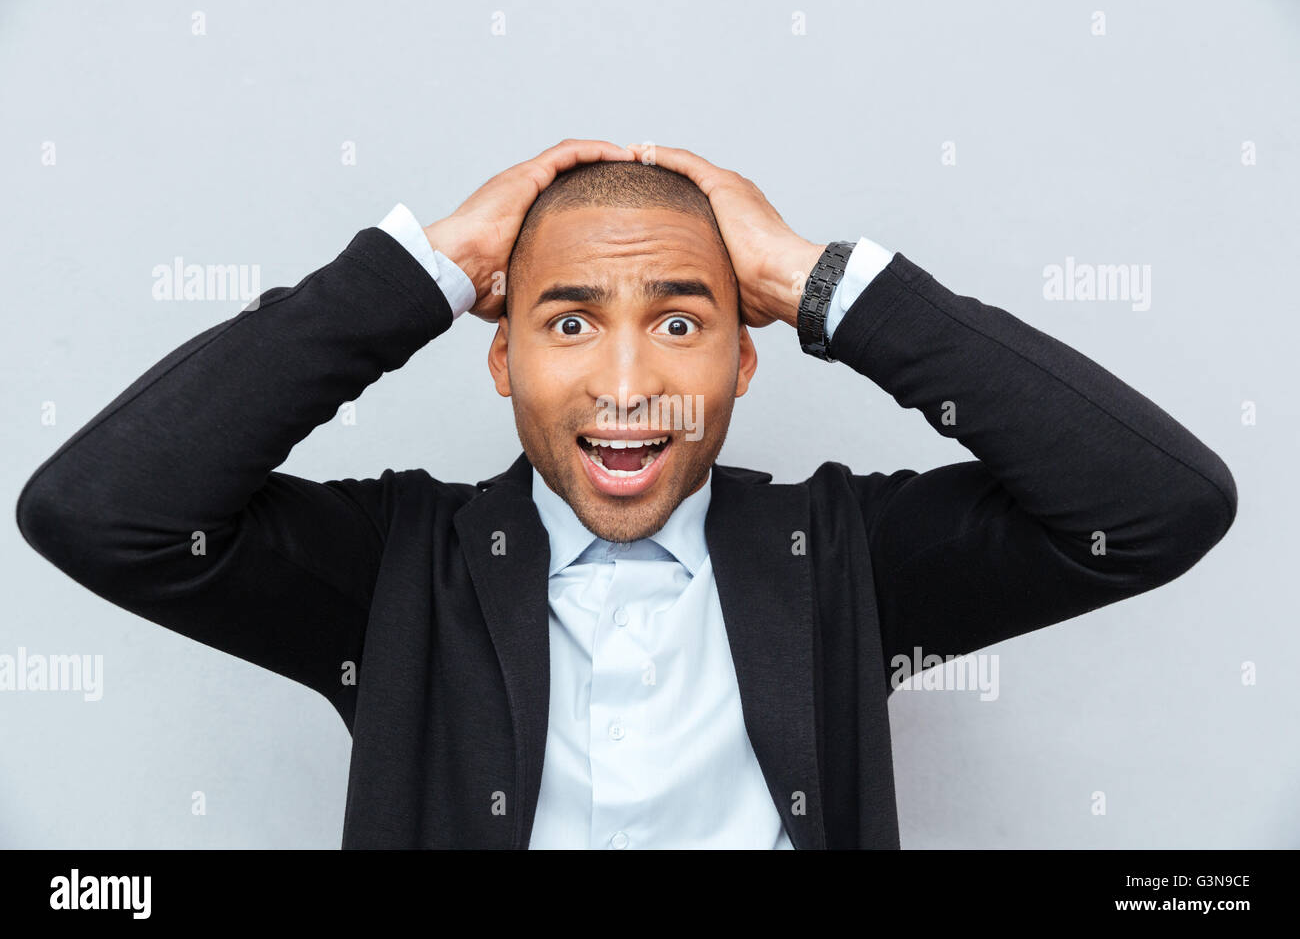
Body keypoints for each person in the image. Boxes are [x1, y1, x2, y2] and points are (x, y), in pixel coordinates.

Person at [15, 139, 1237, 849]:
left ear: (747, 355)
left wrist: (816, 280)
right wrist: (420, 272)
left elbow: (1154, 505)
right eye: (566, 319)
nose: (625, 382)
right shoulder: (395, 573)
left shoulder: (843, 557)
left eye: (680, 319)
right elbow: (100, 508)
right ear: (500, 357)